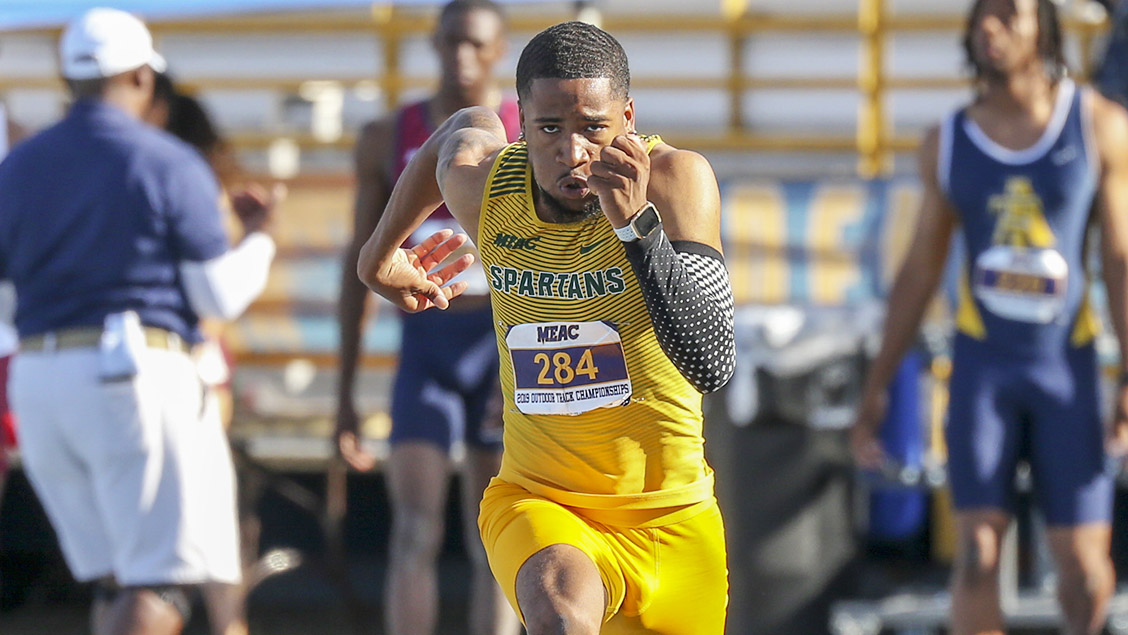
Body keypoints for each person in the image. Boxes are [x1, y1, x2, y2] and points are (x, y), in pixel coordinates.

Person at [356, 20, 737, 634]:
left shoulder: (673, 182)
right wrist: (377, 255)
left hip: (673, 521)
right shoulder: (490, 189)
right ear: (523, 125)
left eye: (594, 128)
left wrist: (636, 228)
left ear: (629, 117)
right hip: (543, 502)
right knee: (561, 618)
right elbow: (456, 132)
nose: (572, 154)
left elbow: (710, 362)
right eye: (549, 130)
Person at [850, 1, 1128, 633]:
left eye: (1009, 13)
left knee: (1084, 570)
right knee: (975, 555)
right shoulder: (948, 141)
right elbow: (919, 274)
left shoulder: (1097, 124)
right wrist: (877, 388)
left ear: (1045, 29)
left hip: (1068, 372)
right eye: (983, 15)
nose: (990, 27)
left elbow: (1119, 259)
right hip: (984, 375)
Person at [0, 8, 278, 635]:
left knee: (115, 577)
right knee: (156, 581)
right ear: (137, 77)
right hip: (131, 376)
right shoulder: (166, 161)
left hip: (39, 381)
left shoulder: (15, 168)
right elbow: (216, 298)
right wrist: (261, 237)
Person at [334, 1, 521, 634]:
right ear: (433, 45)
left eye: (475, 44)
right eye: (450, 43)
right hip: (426, 345)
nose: (461, 57)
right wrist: (344, 396)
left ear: (499, 50)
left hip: (499, 346)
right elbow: (357, 267)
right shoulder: (389, 136)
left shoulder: (528, 133)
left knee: (494, 536)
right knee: (413, 531)